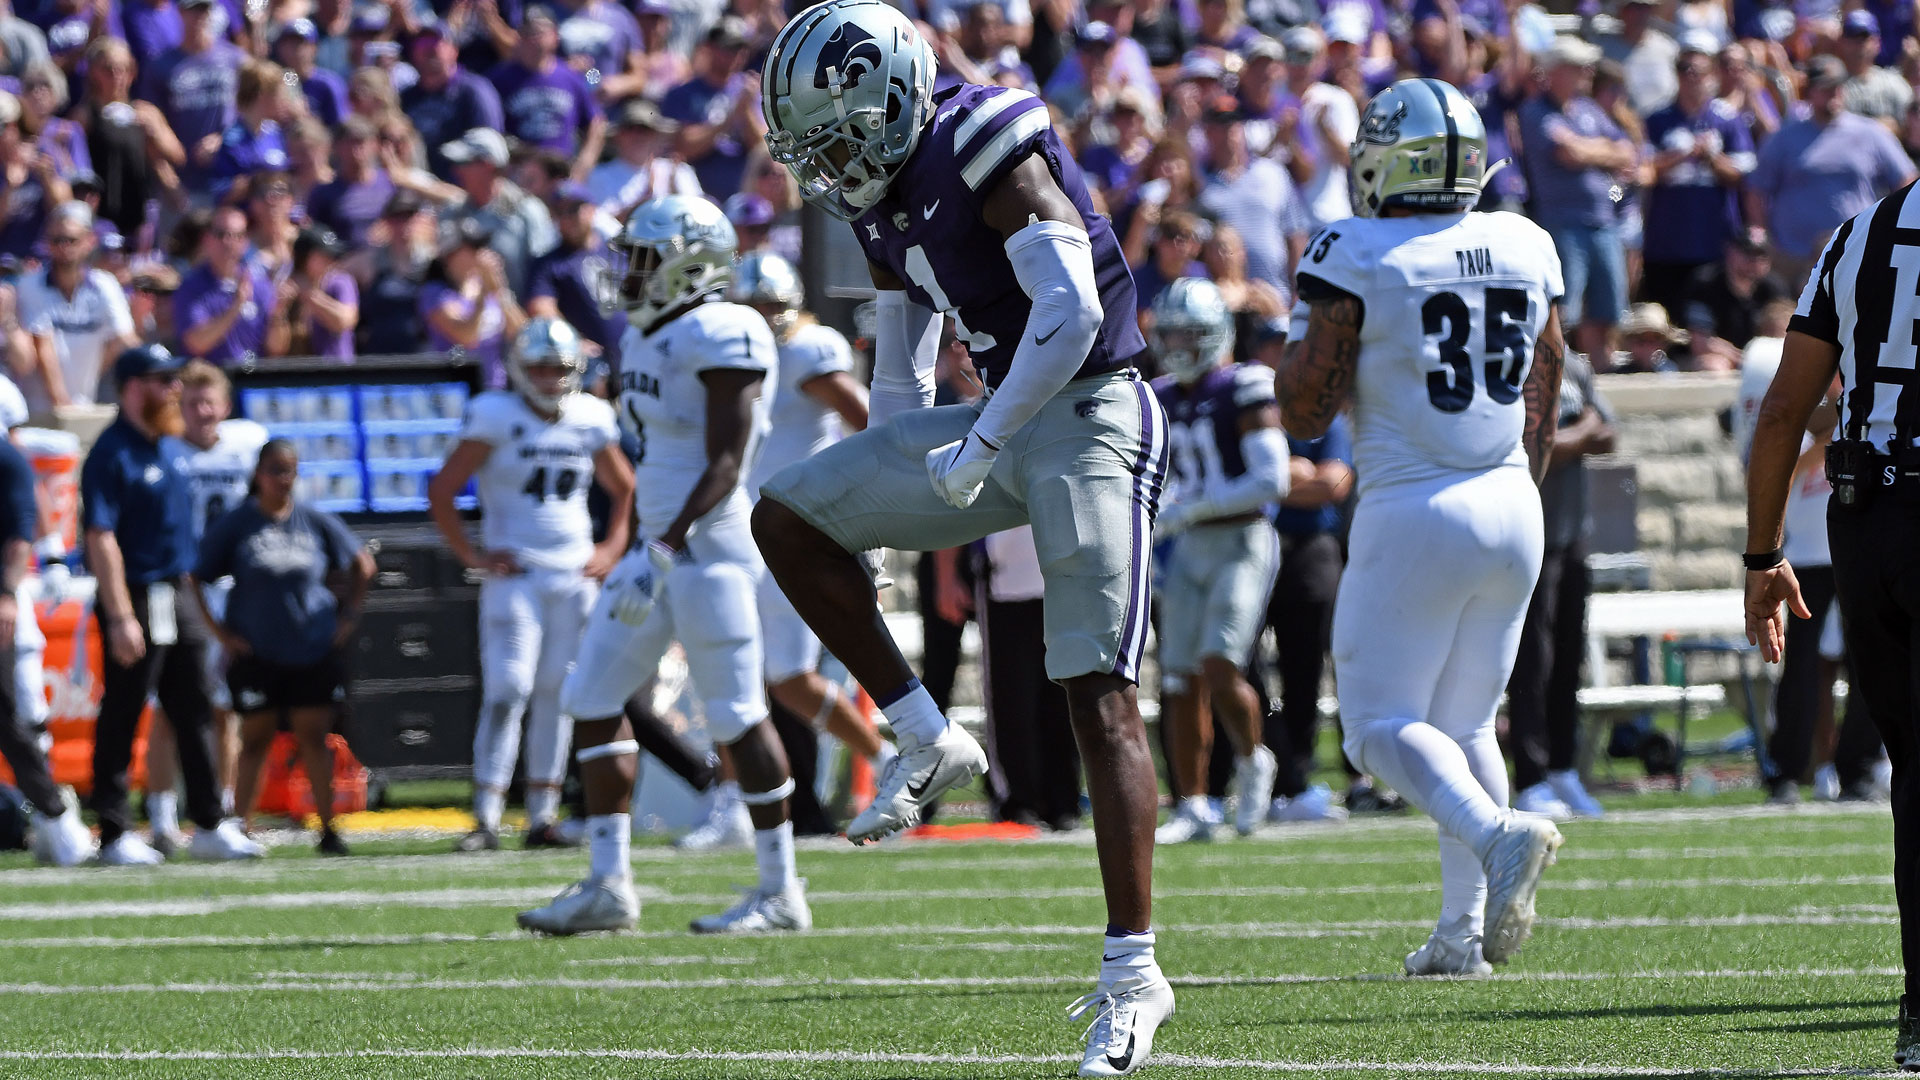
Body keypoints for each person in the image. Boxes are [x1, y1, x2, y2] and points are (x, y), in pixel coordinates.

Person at [758, 4, 1173, 1071]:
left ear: (896, 93)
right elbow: (900, 367)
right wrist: (882, 503)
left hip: (1088, 412)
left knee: (1097, 691)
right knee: (792, 517)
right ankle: (924, 733)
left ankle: (1134, 974)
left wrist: (985, 438)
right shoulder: (884, 192)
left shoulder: (983, 134)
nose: (834, 165)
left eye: (841, 135)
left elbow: (1071, 311)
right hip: (1004, 423)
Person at [1278, 80, 1566, 979]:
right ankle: (1460, 934)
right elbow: (1547, 384)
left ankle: (1495, 834)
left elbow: (1303, 409)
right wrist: (1519, 483)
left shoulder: (1354, 250)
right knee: (1467, 723)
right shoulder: (1524, 239)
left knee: (1373, 728)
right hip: (1515, 498)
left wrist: (1293, 345)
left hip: (1414, 502)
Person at [520, 196, 805, 937]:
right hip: (661, 549)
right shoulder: (651, 335)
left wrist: (664, 545)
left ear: (689, 261)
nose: (631, 274)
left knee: (740, 716)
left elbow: (726, 459)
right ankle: (609, 884)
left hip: (706, 550)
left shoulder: (726, 328)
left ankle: (781, 890)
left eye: (644, 259)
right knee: (590, 695)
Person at [1743, 168, 1920, 1070]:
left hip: (1871, 524)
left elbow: (1782, 411)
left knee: (1913, 770)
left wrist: (1762, 557)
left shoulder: (1857, 238)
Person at [429, 318, 632, 852]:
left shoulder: (590, 415)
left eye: (558, 367)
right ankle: (487, 816)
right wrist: (472, 554)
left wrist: (610, 548)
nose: (547, 377)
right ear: (519, 368)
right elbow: (443, 489)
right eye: (539, 366)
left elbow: (626, 488)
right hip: (515, 572)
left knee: (556, 692)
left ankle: (542, 814)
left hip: (572, 574)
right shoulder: (494, 414)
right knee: (508, 688)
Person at [81, 344, 261, 865]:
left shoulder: (168, 447)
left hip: (178, 589)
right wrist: (119, 614)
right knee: (125, 706)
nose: (174, 391)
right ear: (134, 387)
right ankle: (114, 830)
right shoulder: (113, 453)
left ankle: (207, 821)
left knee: (195, 705)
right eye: (163, 381)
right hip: (137, 590)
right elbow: (100, 536)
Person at [729, 251, 893, 803]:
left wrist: (859, 507)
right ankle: (737, 798)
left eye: (771, 303)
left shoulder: (806, 350)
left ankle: (887, 757)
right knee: (750, 674)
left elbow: (868, 421)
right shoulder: (738, 353)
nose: (761, 313)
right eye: (751, 303)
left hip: (795, 529)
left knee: (783, 675)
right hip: (744, 530)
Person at [1147, 278, 1288, 844]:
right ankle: (1194, 805)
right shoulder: (1160, 394)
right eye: (1170, 333)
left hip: (1240, 539)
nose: (1178, 344)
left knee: (1220, 665)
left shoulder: (1247, 384)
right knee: (1178, 680)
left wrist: (1190, 509)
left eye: (1189, 334)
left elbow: (1271, 479)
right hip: (1188, 547)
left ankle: (1255, 762)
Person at [192, 439, 372, 856]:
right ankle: (242, 826)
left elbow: (363, 563)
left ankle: (328, 830)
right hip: (258, 650)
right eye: (274, 469)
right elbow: (196, 575)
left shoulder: (312, 521)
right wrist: (220, 633)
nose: (283, 478)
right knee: (256, 737)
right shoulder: (239, 524)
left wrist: (347, 617)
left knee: (314, 736)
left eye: (289, 469)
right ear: (258, 474)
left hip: (311, 646)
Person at [141, 360, 265, 851]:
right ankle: (160, 815)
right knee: (169, 708)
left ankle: (222, 808)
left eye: (208, 402)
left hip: (231, 587)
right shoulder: (167, 451)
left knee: (224, 709)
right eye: (191, 404)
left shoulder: (248, 443)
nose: (201, 412)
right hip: (180, 586)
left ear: (225, 406)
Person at [1506, 352, 1614, 820]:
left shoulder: (1574, 366)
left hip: (1573, 534)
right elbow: (1527, 444)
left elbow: (1608, 432)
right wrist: (1580, 432)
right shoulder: (1508, 358)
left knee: (1569, 658)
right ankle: (1530, 776)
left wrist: (1562, 437)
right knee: (1533, 660)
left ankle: (1562, 769)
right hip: (1529, 531)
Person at [0, 412, 89, 865]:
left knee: (13, 717)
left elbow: (19, 531)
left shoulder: (8, 457)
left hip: (3, 599)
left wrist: (6, 594)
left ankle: (54, 817)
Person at [1745, 55, 1914, 292]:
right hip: (1794, 258)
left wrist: (1890, 228)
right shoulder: (1784, 137)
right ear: (1810, 92)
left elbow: (1906, 179)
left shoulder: (1870, 133)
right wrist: (1764, 238)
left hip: (1856, 253)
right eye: (1825, 88)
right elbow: (1756, 191)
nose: (1833, 93)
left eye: (1837, 87)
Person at [1520, 36, 1638, 362]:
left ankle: (1601, 377)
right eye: (1578, 66)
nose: (1588, 71)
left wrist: (1590, 150)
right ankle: (1561, 379)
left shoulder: (1588, 109)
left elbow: (1627, 152)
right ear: (1556, 71)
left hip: (1603, 220)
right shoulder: (1535, 111)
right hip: (1563, 222)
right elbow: (1567, 153)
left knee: (1608, 311)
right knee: (1565, 309)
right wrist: (1602, 151)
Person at [1263, 410, 1357, 821]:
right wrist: (1298, 475)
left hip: (1310, 548)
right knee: (1234, 665)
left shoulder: (1326, 421)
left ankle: (1297, 779)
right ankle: (1257, 770)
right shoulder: (1245, 405)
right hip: (1250, 540)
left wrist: (1265, 481)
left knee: (1305, 670)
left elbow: (1334, 482)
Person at [15, 200, 134, 413]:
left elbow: (124, 338)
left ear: (90, 241)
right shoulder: (31, 284)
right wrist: (62, 403)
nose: (63, 247)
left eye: (71, 240)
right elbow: (42, 345)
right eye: (56, 240)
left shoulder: (104, 285)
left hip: (83, 404)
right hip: (39, 410)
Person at [136, 0, 244, 193]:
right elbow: (149, 126)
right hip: (183, 182)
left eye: (203, 11)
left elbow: (255, 110)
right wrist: (169, 182)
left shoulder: (235, 59)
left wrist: (224, 139)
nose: (198, 17)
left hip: (229, 181)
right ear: (179, 13)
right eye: (192, 11)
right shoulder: (162, 65)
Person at [488, 8, 604, 179]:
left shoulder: (571, 77)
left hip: (561, 173)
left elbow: (595, 124)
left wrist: (582, 167)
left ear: (555, 36)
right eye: (527, 32)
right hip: (518, 174)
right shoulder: (498, 79)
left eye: (540, 32)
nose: (533, 39)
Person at [419, 216, 527, 389]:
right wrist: (483, 297)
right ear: (451, 254)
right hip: (454, 391)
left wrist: (500, 291)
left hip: (495, 389)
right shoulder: (435, 293)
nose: (481, 253)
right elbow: (466, 337)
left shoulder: (488, 285)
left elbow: (522, 335)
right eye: (473, 247)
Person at [401, 20, 505, 181]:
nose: (430, 48)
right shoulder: (406, 96)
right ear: (413, 52)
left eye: (437, 42)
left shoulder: (475, 91)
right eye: (422, 43)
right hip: (418, 189)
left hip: (464, 192)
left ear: (454, 50)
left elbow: (489, 147)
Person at [173, 204, 275, 366]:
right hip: (209, 379)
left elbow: (276, 349)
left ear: (246, 242)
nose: (228, 242)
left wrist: (279, 317)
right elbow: (196, 343)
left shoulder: (261, 285)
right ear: (206, 239)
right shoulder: (191, 286)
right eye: (221, 234)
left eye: (237, 236)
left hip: (252, 379)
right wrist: (236, 306)